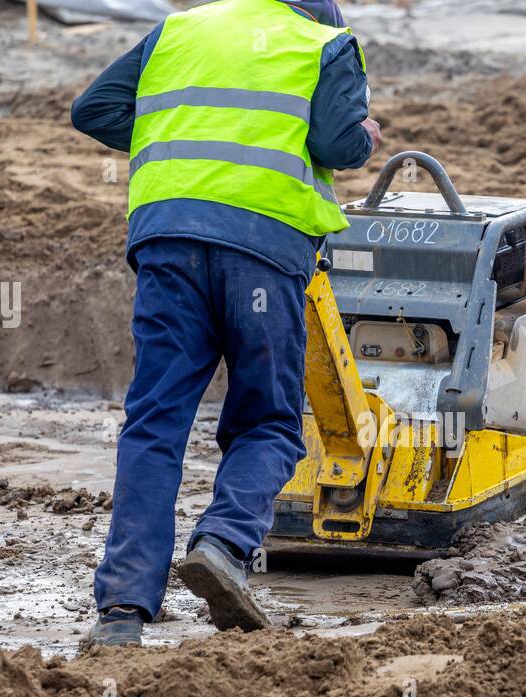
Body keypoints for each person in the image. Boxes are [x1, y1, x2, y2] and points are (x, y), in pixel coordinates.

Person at [70, 0, 380, 644]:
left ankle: (122, 611)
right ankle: (223, 542)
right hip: (263, 251)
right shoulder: (324, 42)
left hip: (168, 241)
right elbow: (338, 145)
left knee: (154, 421)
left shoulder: (178, 29)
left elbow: (92, 110)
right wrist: (368, 136)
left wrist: (180, 133)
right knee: (267, 420)